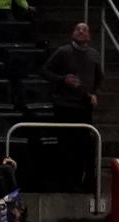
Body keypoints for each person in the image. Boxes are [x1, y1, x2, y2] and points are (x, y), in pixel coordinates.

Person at [41, 23, 101, 191]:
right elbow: (45, 71)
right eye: (78, 29)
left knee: (84, 145)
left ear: (89, 36)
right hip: (64, 105)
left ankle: (84, 182)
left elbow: (99, 78)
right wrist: (62, 79)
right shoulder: (63, 52)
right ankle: (66, 183)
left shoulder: (94, 54)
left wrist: (95, 93)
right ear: (72, 33)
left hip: (84, 106)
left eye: (85, 29)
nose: (81, 31)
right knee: (65, 145)